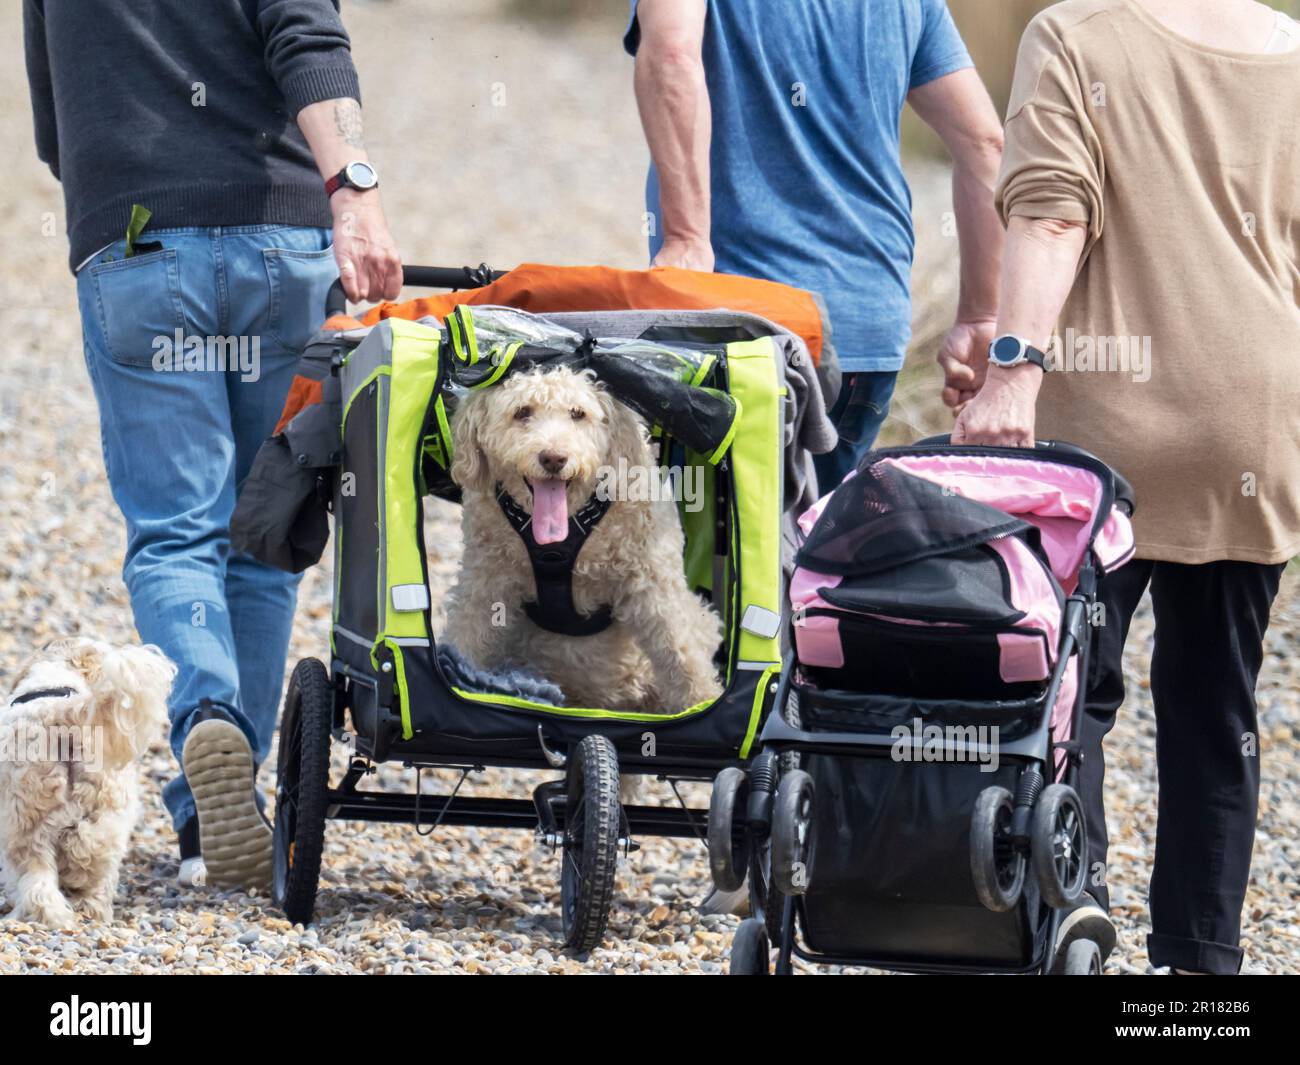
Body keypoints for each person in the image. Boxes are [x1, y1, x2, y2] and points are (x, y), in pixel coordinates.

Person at [951, 0, 1300, 974]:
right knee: (1216, 711)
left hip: (1107, 442)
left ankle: (1075, 921)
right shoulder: (1292, 54)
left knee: (1071, 697)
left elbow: (1053, 211)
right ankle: (1199, 969)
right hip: (1257, 422)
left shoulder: (1075, 36)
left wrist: (1009, 374)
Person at [23, 0, 403, 890]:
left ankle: (205, 734)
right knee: (263, 535)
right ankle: (217, 813)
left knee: (173, 533)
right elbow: (307, 36)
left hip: (135, 234)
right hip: (280, 232)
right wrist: (355, 188)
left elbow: (51, 114)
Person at [626, 0, 1006, 488]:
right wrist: (980, 316)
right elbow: (985, 145)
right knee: (816, 552)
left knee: (718, 552)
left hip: (737, 324)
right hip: (866, 335)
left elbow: (673, 55)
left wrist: (686, 238)